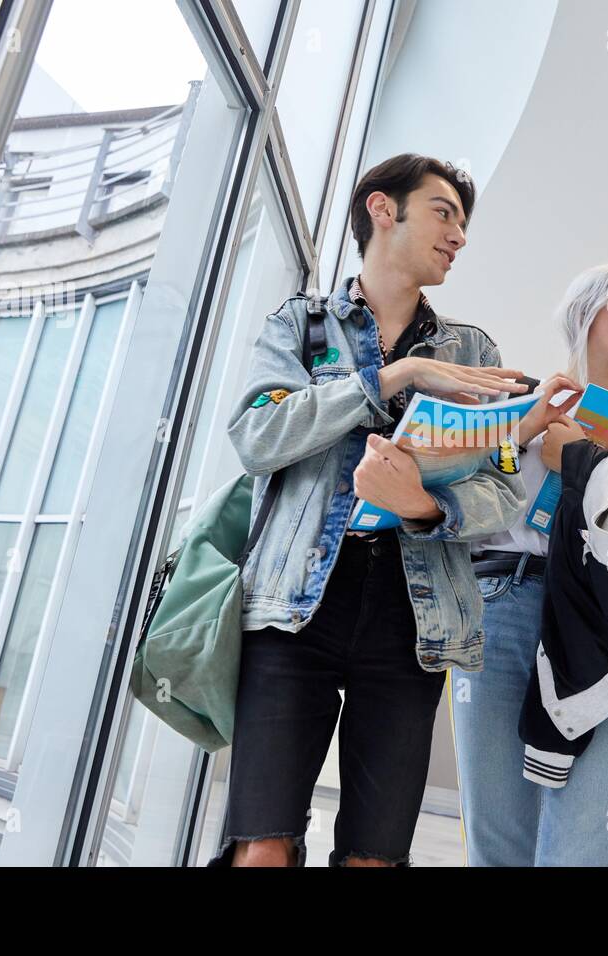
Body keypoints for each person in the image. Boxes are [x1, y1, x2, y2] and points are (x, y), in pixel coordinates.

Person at [210, 154, 530, 867]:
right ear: (383, 209)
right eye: (444, 213)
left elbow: (504, 492)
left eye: (463, 223)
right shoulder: (301, 325)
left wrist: (422, 505)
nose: (460, 236)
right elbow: (258, 437)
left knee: (373, 859)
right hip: (295, 610)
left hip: (411, 619)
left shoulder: (473, 352)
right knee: (260, 851)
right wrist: (392, 377)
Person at [451, 264, 608, 866]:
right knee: (496, 833)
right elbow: (468, 509)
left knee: (590, 838)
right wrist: (518, 434)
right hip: (500, 599)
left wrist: (586, 461)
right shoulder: (524, 401)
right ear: (584, 309)